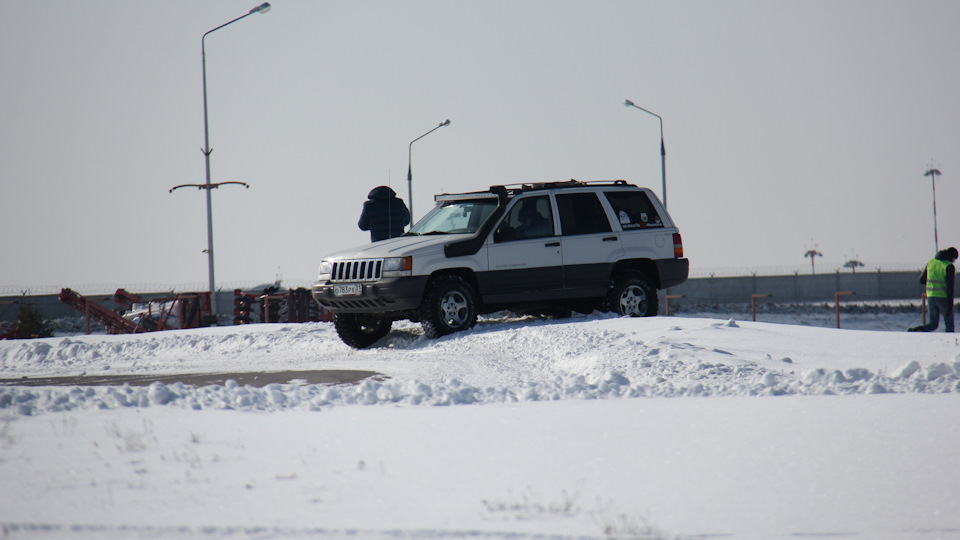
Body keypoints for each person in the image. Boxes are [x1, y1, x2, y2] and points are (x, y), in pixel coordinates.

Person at [909, 246, 958, 333]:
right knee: (949, 326)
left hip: (931, 296)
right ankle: (950, 341)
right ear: (952, 257)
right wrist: (950, 305)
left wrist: (932, 286)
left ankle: (918, 330)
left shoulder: (931, 262)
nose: (954, 261)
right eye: (954, 259)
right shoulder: (949, 266)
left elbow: (922, 280)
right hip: (943, 297)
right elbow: (950, 287)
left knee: (933, 324)